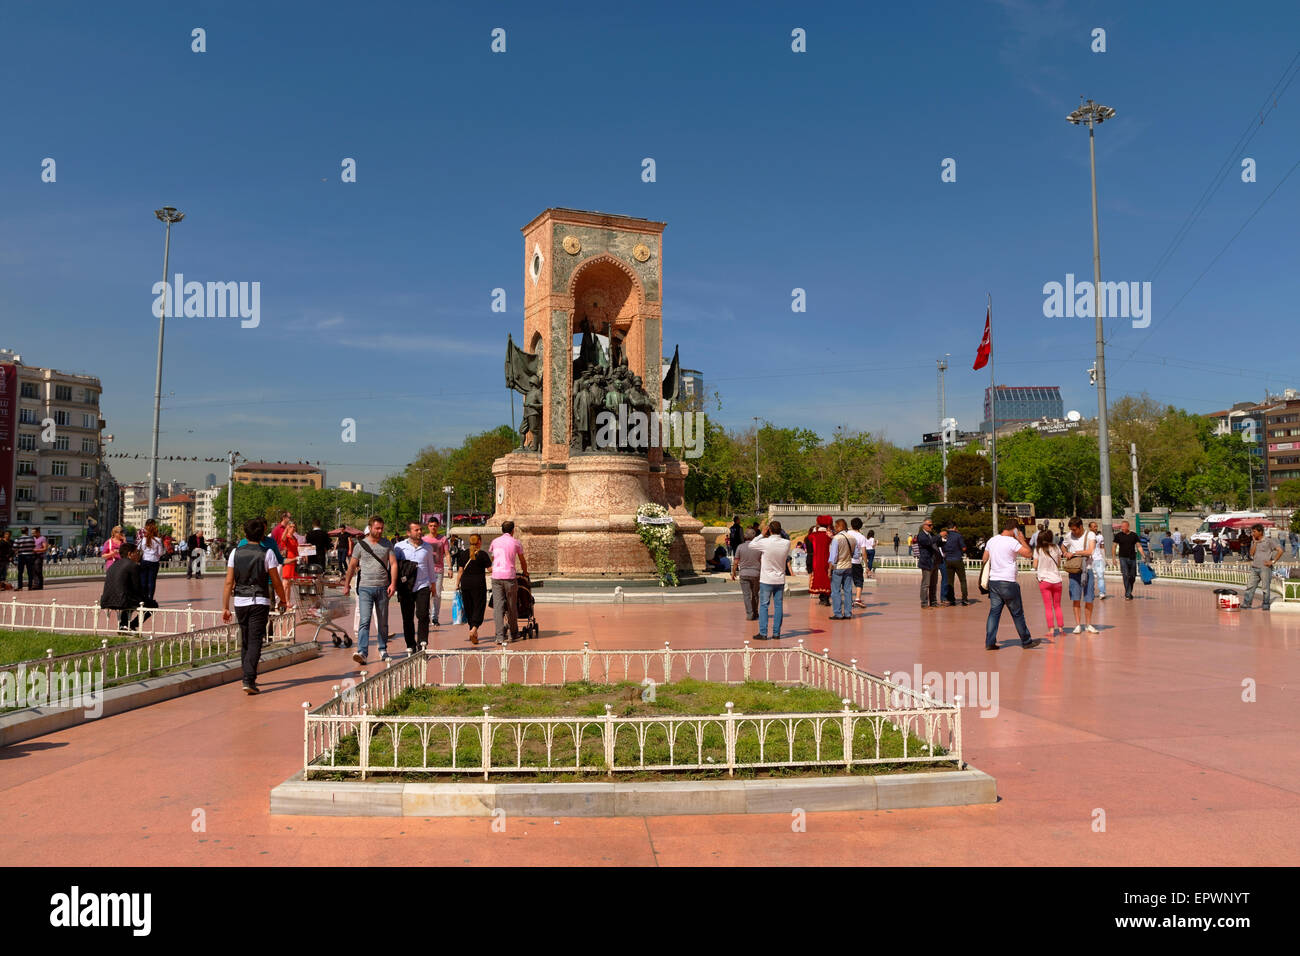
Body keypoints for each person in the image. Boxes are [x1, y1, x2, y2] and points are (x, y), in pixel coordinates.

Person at [222, 518, 292, 695]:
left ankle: (247, 675)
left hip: (240, 601)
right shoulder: (267, 553)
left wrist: (225, 607)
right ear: (262, 534)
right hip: (260, 601)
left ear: (245, 534)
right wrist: (283, 600)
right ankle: (249, 679)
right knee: (255, 641)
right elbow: (276, 582)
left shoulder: (235, 553)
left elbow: (229, 582)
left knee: (245, 639)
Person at [343, 515, 398, 664]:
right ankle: (362, 652)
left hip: (382, 588)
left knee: (382, 621)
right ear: (370, 528)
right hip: (365, 588)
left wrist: (393, 584)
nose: (380, 531)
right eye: (377, 528)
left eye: (381, 528)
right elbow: (352, 566)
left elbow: (393, 564)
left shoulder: (387, 544)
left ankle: (382, 649)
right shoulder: (360, 545)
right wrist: (347, 584)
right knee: (365, 620)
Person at [981, 517, 1041, 650]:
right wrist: (1021, 540)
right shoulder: (1011, 542)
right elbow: (1028, 554)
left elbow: (985, 558)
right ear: (1014, 529)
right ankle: (1026, 641)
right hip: (1008, 582)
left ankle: (990, 642)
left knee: (994, 613)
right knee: (1017, 613)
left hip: (994, 581)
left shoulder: (992, 540)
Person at [394, 521, 437, 655]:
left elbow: (431, 567)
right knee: (407, 617)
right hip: (406, 587)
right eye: (416, 530)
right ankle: (411, 645)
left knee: (423, 615)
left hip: (422, 585)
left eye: (420, 530)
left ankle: (422, 644)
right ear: (408, 533)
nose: (419, 532)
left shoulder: (427, 548)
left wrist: (433, 585)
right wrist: (394, 584)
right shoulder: (399, 547)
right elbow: (396, 567)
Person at [750, 521, 792, 640]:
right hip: (779, 579)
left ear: (769, 530)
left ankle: (763, 633)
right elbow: (784, 538)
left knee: (764, 606)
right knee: (778, 606)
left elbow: (751, 545)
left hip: (766, 579)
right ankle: (776, 633)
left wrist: (761, 535)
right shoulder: (786, 543)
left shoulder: (765, 542)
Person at [488, 520, 528, 644]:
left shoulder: (495, 542)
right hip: (509, 577)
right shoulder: (516, 542)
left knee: (498, 607)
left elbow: (493, 558)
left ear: (502, 530)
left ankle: (499, 636)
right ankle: (514, 633)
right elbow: (522, 560)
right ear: (513, 530)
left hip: (496, 576)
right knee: (511, 606)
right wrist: (525, 572)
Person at [454, 532, 492, 644]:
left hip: (465, 584)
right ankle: (474, 628)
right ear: (479, 542)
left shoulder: (464, 554)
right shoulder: (483, 555)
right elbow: (490, 570)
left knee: (469, 607)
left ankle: (473, 632)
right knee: (479, 607)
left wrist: (457, 584)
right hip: (478, 584)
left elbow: (460, 571)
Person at [1063, 517, 1099, 634]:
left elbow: (1090, 551)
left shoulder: (1090, 535)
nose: (1073, 532)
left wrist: (1073, 553)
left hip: (1087, 569)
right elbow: (1063, 545)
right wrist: (1065, 552)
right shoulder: (1069, 536)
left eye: (1075, 529)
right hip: (1074, 570)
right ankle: (1078, 624)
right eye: (1071, 530)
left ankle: (1088, 624)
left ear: (1080, 527)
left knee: (1089, 598)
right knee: (1075, 598)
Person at [100, 545, 148, 631]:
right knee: (151, 604)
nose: (138, 554)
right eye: (136, 552)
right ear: (130, 554)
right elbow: (137, 587)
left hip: (106, 599)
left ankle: (124, 624)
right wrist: (145, 598)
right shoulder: (133, 565)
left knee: (130, 599)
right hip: (122, 600)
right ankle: (131, 625)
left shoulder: (113, 565)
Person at [1032, 529, 1065, 638]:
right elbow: (1059, 563)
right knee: (1057, 606)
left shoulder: (1038, 550)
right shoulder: (1056, 548)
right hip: (1057, 580)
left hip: (1044, 580)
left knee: (1048, 607)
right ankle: (1061, 628)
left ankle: (1051, 630)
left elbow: (1035, 566)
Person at [1242, 523, 1282, 611]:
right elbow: (1251, 553)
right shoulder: (1253, 541)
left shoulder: (1269, 541)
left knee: (1265, 587)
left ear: (1260, 532)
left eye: (1254, 531)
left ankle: (1265, 604)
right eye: (1252, 531)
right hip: (1254, 567)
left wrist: (1272, 561)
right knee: (1250, 586)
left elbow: (1280, 550)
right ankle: (1246, 603)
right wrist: (1255, 543)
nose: (1252, 533)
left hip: (1265, 568)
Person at [1111, 520, 1149, 600]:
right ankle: (1128, 594)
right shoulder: (1118, 535)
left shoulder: (1134, 535)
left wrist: (1143, 555)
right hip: (1122, 558)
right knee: (1125, 574)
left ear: (1128, 527)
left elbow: (1138, 546)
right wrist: (1114, 558)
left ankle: (1129, 591)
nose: (1122, 528)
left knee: (1132, 576)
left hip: (1132, 558)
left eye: (1124, 527)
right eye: (1121, 527)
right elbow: (1114, 546)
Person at [422, 518, 450, 627]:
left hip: (438, 571)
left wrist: (450, 568)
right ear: (428, 526)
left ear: (438, 526)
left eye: (435, 525)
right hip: (426, 571)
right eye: (431, 525)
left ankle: (435, 617)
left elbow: (447, 554)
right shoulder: (424, 539)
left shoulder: (443, 539)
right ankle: (426, 616)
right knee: (425, 595)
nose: (433, 528)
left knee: (437, 595)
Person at [730, 528, 762, 621]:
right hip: (756, 574)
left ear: (745, 536)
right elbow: (762, 561)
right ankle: (755, 612)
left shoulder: (740, 547)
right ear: (754, 537)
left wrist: (733, 573)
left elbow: (736, 562)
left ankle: (749, 614)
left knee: (746, 595)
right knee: (755, 594)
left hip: (743, 573)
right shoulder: (758, 547)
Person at [828, 518, 855, 620]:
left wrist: (830, 568)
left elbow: (833, 556)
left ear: (840, 527)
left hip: (838, 567)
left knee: (836, 591)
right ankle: (848, 613)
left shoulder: (836, 539)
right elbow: (856, 555)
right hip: (848, 566)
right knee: (848, 590)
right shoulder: (852, 538)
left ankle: (838, 613)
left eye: (836, 526)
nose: (835, 528)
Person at [916, 517, 943, 609]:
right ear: (924, 525)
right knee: (926, 584)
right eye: (929, 525)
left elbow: (936, 543)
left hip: (934, 562)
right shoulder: (921, 535)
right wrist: (939, 535)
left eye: (932, 525)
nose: (931, 527)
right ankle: (924, 603)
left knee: (933, 584)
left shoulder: (931, 535)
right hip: (927, 563)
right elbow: (928, 543)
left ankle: (933, 602)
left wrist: (942, 540)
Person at [805, 517, 832, 606]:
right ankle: (826, 597)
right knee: (827, 578)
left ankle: (822, 597)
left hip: (816, 560)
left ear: (818, 524)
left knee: (819, 578)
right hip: (828, 560)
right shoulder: (830, 535)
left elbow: (809, 542)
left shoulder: (813, 536)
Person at [942, 522, 969, 606]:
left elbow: (942, 548)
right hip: (957, 559)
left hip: (948, 561)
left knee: (950, 581)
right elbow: (963, 547)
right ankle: (964, 599)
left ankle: (951, 600)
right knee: (962, 580)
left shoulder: (945, 536)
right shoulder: (958, 536)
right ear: (954, 527)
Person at [138, 519, 164, 601]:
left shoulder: (144, 539)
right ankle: (150, 598)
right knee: (152, 581)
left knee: (143, 580)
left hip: (145, 560)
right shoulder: (158, 540)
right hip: (154, 561)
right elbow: (160, 552)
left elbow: (141, 548)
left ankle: (143, 597)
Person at [848, 517, 869, 608]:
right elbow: (864, 552)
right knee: (859, 581)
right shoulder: (862, 537)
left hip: (846, 561)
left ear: (851, 525)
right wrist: (866, 565)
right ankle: (857, 599)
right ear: (861, 526)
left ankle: (849, 600)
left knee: (847, 582)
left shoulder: (847, 534)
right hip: (856, 562)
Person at [1087, 520, 1108, 600]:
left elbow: (1102, 548)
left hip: (1098, 559)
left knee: (1100, 576)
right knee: (1089, 577)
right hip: (1089, 559)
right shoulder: (1087, 536)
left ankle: (1102, 593)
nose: (1096, 528)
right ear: (1090, 528)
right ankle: (1090, 592)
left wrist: (1104, 558)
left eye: (1096, 526)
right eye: (1094, 526)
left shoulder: (1100, 537)